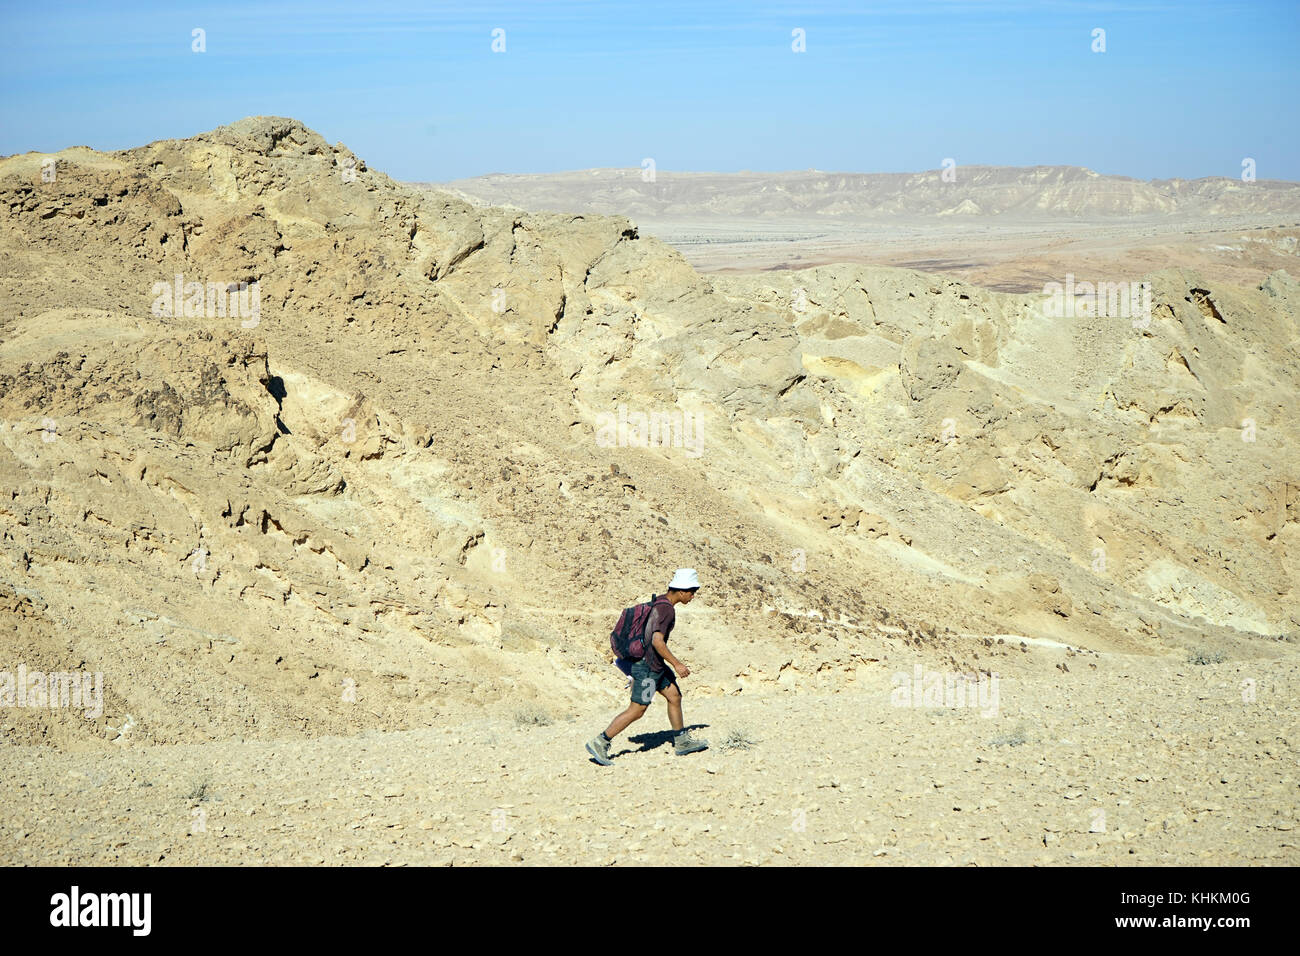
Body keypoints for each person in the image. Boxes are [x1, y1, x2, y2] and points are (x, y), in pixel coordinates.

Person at [586, 569, 709, 765]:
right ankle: (600, 741)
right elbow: (657, 641)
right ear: (682, 591)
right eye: (692, 591)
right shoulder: (667, 610)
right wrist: (677, 663)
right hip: (648, 669)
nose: (693, 596)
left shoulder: (659, 601)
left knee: (674, 696)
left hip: (656, 666)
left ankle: (681, 741)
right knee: (638, 709)